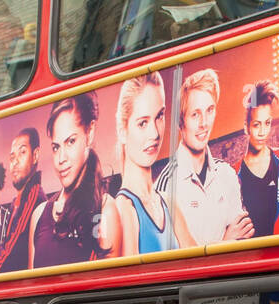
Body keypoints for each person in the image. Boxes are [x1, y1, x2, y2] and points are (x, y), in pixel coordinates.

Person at [156, 68, 254, 248]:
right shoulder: (165, 187)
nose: (204, 123)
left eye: (209, 110)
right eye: (195, 114)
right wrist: (226, 242)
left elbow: (243, 241)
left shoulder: (227, 174)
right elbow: (175, 266)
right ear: (181, 122)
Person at [29, 92, 119, 268]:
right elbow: (29, 290)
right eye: (56, 147)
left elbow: (109, 290)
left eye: (70, 142)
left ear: (90, 133)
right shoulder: (39, 215)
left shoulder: (105, 209)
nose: (61, 158)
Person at [113, 73, 172, 256]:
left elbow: (198, 259)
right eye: (142, 123)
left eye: (159, 116)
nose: (155, 133)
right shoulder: (124, 209)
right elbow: (132, 281)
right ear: (123, 132)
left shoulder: (167, 201)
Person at [235, 81, 279, 238]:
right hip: (252, 258)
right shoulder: (234, 173)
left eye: (267, 123)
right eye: (257, 125)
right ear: (246, 127)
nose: (263, 132)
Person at [0, 128, 43, 274]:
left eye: (23, 152)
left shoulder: (34, 196)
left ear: (35, 155)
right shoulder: (16, 203)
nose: (15, 162)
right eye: (12, 157)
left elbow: (10, 253)